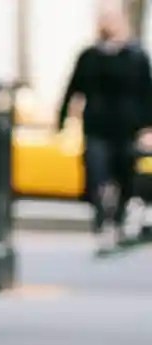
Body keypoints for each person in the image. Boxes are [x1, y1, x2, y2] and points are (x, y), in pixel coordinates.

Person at [58, 1, 152, 240]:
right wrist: (62, 119)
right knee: (96, 171)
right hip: (97, 126)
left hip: (127, 127)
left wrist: (148, 128)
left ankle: (119, 214)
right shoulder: (89, 56)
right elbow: (73, 88)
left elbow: (147, 93)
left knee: (124, 172)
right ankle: (100, 214)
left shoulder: (136, 56)